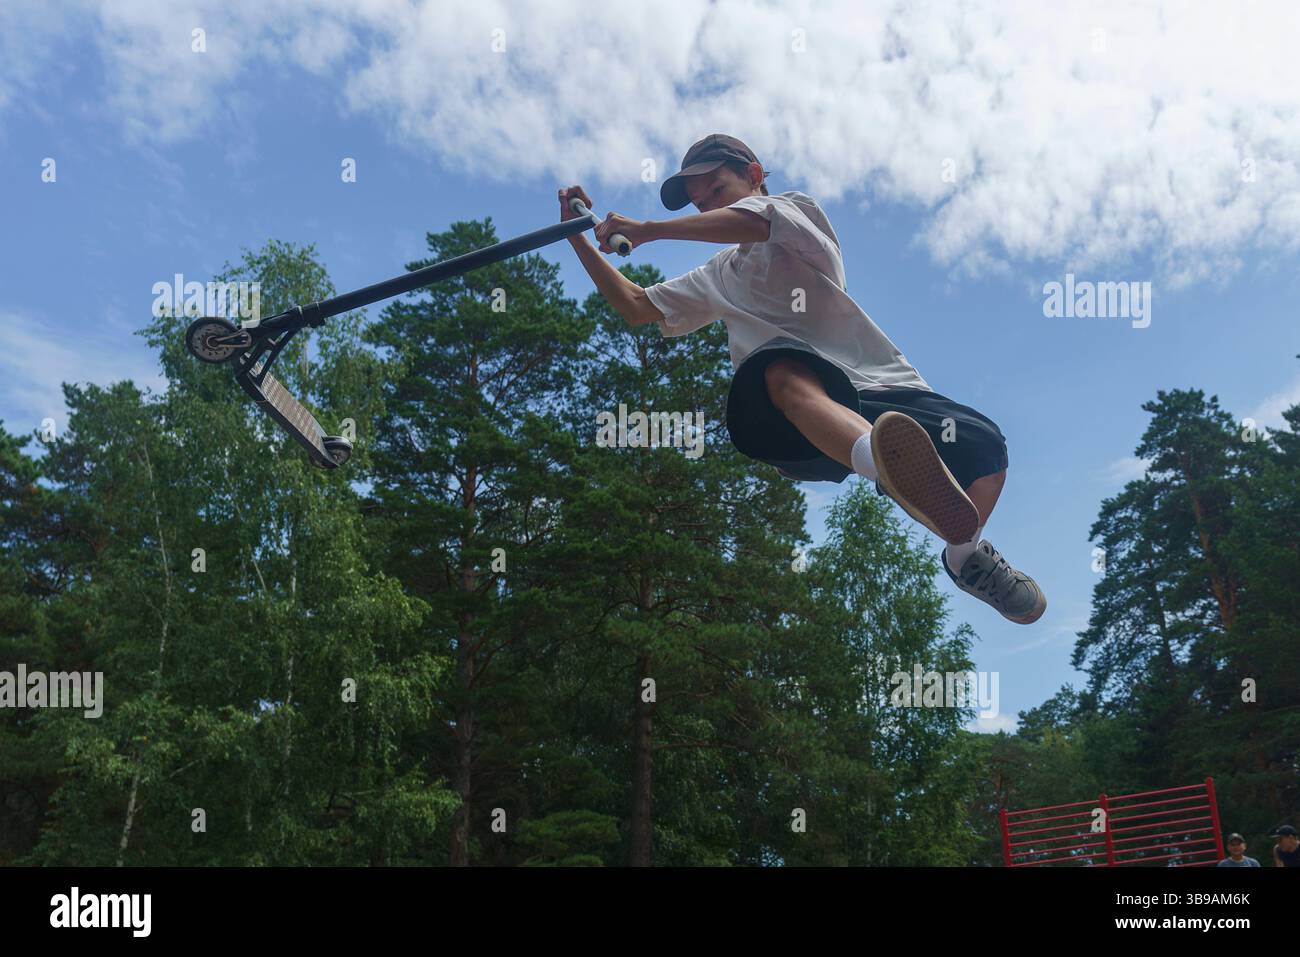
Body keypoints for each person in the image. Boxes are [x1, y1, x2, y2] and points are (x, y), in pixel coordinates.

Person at [560, 133, 1046, 623]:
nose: (705, 207)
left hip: (874, 387)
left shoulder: (795, 213)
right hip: (784, 416)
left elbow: (754, 222)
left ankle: (965, 557)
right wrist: (578, 238)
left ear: (754, 175)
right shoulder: (717, 275)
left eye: (715, 190)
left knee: (987, 449)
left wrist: (651, 230)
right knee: (780, 368)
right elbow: (638, 306)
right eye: (698, 202)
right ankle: (888, 467)